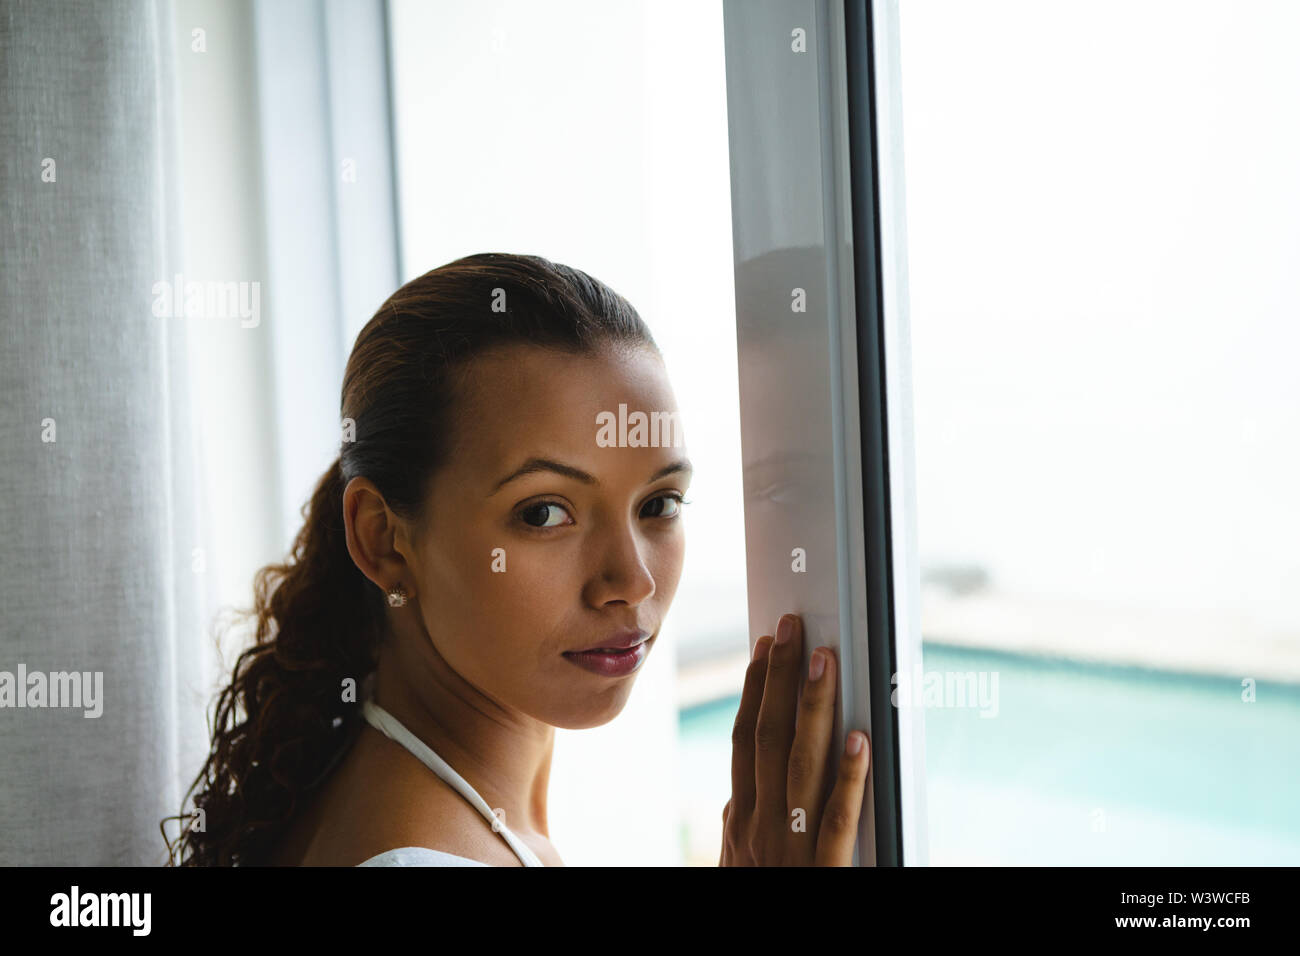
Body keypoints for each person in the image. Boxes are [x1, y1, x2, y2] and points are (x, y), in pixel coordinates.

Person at [161, 252, 870, 867]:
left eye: (659, 504)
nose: (633, 580)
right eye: (544, 513)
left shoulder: (398, 792)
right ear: (383, 538)